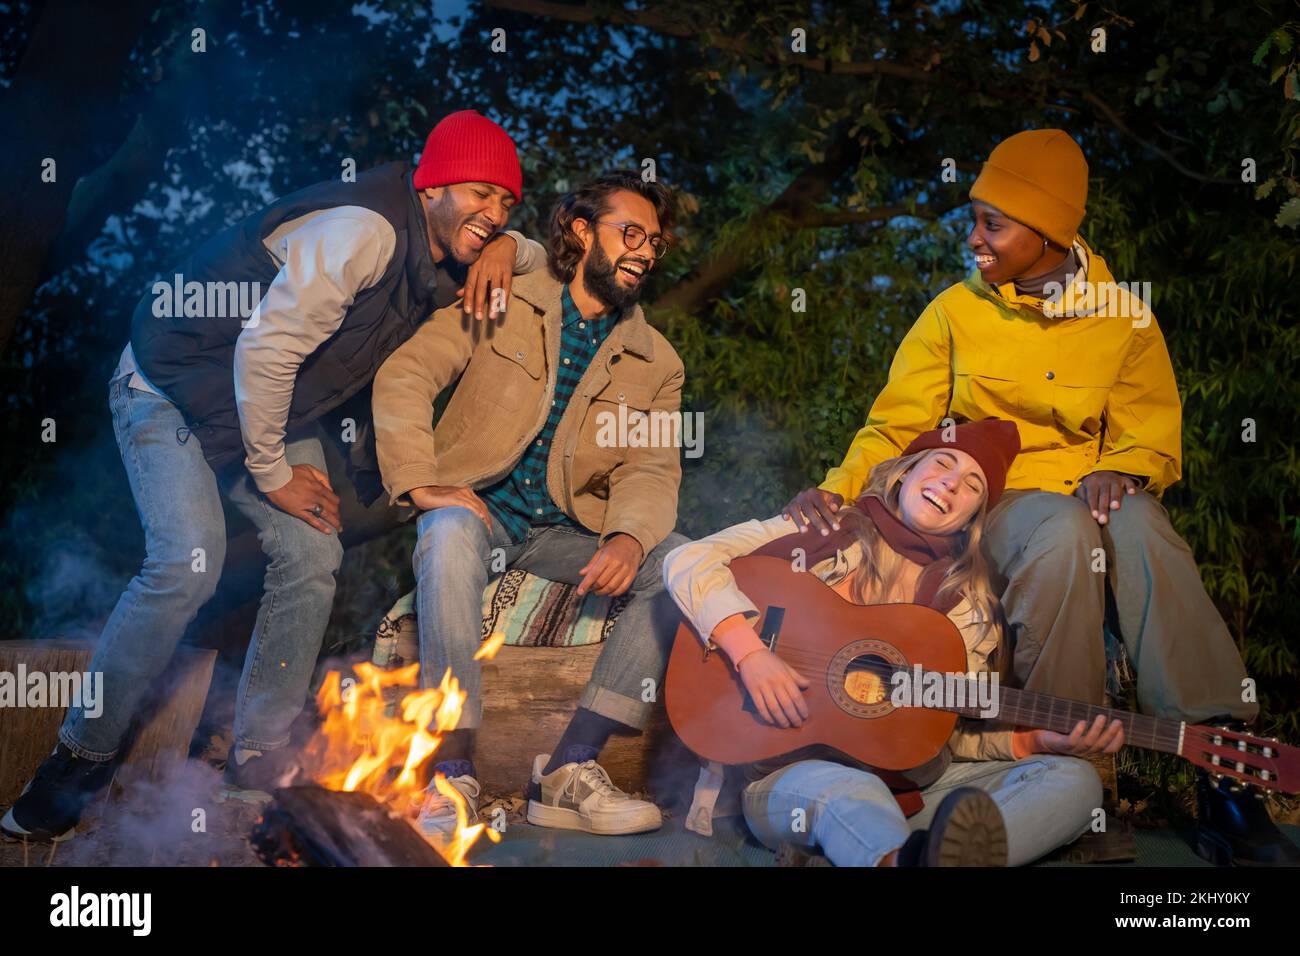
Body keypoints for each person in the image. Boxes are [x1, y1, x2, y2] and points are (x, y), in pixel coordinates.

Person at [1, 110, 546, 844]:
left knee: (313, 553)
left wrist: (508, 246)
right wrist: (272, 474)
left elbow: (542, 257)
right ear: (435, 184)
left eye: (508, 202)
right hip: (173, 389)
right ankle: (76, 765)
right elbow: (264, 350)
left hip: (267, 411)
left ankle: (253, 767)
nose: (495, 212)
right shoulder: (365, 232)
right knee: (185, 565)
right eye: (483, 194)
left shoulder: (446, 247)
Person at [782, 129, 1298, 866]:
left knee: (1143, 522)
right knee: (1060, 529)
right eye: (976, 218)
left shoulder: (1124, 317)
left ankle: (1225, 773)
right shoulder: (954, 313)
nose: (974, 237)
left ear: (1049, 232)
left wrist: (1123, 467)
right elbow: (894, 425)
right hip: (985, 505)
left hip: (1083, 497)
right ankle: (1069, 776)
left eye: (993, 223)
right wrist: (834, 494)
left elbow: (1152, 430)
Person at [372, 171, 689, 841]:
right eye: (628, 233)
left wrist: (630, 538)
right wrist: (418, 479)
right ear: (580, 230)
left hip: (560, 530)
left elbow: (651, 467)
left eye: (654, 243)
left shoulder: (658, 362)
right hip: (475, 507)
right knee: (450, 529)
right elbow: (407, 374)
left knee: (680, 561)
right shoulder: (506, 291)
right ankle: (451, 770)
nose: (643, 252)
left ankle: (571, 770)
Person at [664, 420, 1120, 866]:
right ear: (904, 471)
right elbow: (689, 558)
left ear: (974, 518)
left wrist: (1029, 742)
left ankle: (913, 857)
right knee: (848, 789)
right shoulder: (825, 529)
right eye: (942, 463)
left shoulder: (969, 608)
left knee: (1074, 780)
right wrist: (750, 653)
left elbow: (946, 738)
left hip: (911, 789)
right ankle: (895, 855)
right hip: (792, 780)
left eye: (972, 485)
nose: (950, 484)